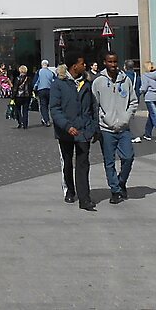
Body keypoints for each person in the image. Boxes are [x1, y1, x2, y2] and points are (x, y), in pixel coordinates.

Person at [49, 54, 98, 211]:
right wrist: (66, 126)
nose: (85, 66)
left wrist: (93, 127)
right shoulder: (59, 84)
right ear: (74, 66)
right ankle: (70, 189)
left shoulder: (87, 83)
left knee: (83, 164)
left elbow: (93, 107)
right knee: (68, 162)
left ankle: (85, 199)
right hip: (66, 132)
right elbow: (54, 109)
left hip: (83, 130)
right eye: (82, 63)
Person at [93, 51, 135, 204]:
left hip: (123, 128)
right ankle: (115, 190)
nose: (113, 64)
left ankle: (121, 182)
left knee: (128, 157)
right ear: (105, 62)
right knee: (109, 162)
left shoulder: (125, 80)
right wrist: (101, 119)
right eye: (110, 62)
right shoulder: (99, 81)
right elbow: (94, 105)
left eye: (115, 61)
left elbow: (133, 101)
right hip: (106, 128)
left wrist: (126, 117)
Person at [12, 65, 33, 129]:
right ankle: (25, 124)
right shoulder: (29, 78)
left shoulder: (17, 78)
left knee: (18, 109)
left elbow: (15, 88)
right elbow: (31, 87)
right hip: (27, 96)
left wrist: (12, 96)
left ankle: (20, 122)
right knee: (25, 110)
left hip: (18, 96)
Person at [35, 60, 55, 127]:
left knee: (43, 105)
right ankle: (49, 118)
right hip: (49, 90)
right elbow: (54, 80)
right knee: (49, 105)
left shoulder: (39, 72)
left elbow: (36, 81)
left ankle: (46, 120)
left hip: (41, 90)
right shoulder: (51, 73)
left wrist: (34, 88)